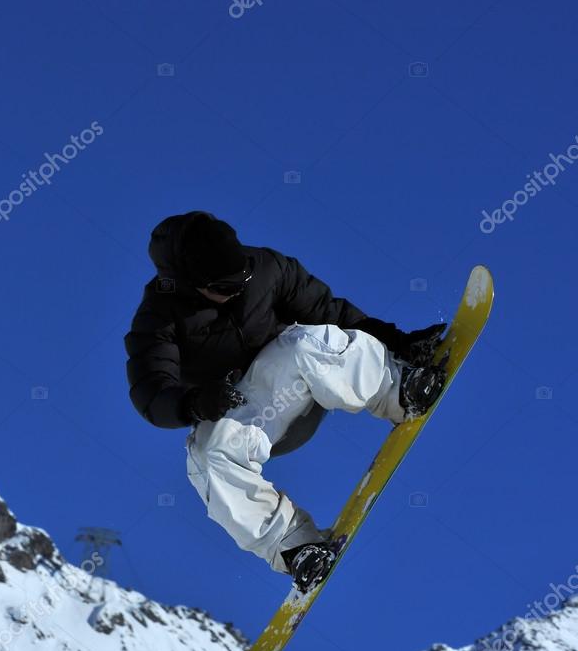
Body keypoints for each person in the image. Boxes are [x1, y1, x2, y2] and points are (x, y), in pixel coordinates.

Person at [125, 211, 446, 592]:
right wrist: (195, 403)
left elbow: (332, 314)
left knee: (304, 339)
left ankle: (399, 390)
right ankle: (296, 548)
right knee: (204, 454)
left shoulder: (266, 268)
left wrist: (402, 345)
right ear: (188, 284)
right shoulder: (157, 320)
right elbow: (150, 394)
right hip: (252, 414)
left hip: (305, 379)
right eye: (224, 286)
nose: (238, 289)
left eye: (241, 276)